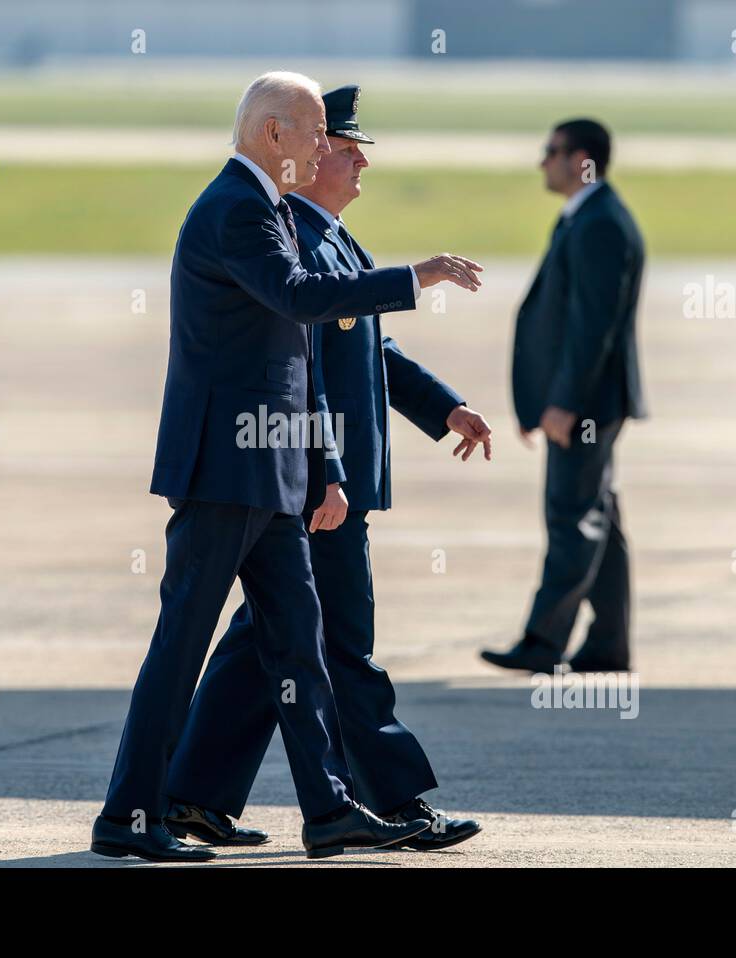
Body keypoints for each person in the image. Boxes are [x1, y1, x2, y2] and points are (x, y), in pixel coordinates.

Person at [91, 71, 484, 862]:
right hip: (226, 467)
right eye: (314, 134)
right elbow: (302, 300)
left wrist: (328, 467)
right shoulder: (237, 211)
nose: (325, 146)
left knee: (299, 646)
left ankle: (330, 810)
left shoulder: (266, 210)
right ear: (274, 135)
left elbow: (298, 362)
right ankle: (132, 818)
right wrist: (418, 276)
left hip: (275, 469)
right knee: (183, 646)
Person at [482, 118, 646, 675]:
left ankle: (543, 642)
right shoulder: (585, 217)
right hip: (587, 401)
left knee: (571, 518)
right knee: (599, 517)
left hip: (587, 406)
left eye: (551, 151)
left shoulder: (599, 223)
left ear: (582, 161)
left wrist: (563, 402)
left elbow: (591, 327)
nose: (542, 162)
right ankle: (607, 644)